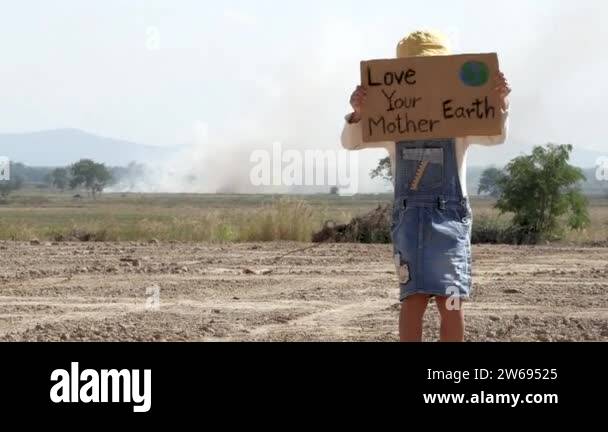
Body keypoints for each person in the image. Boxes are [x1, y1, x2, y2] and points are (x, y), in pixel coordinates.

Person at [341, 30, 512, 342]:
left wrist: (498, 103)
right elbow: (351, 143)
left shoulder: (459, 120)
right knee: (414, 299)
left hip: (450, 220)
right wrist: (359, 113)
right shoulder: (393, 122)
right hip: (410, 222)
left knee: (451, 302)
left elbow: (495, 135)